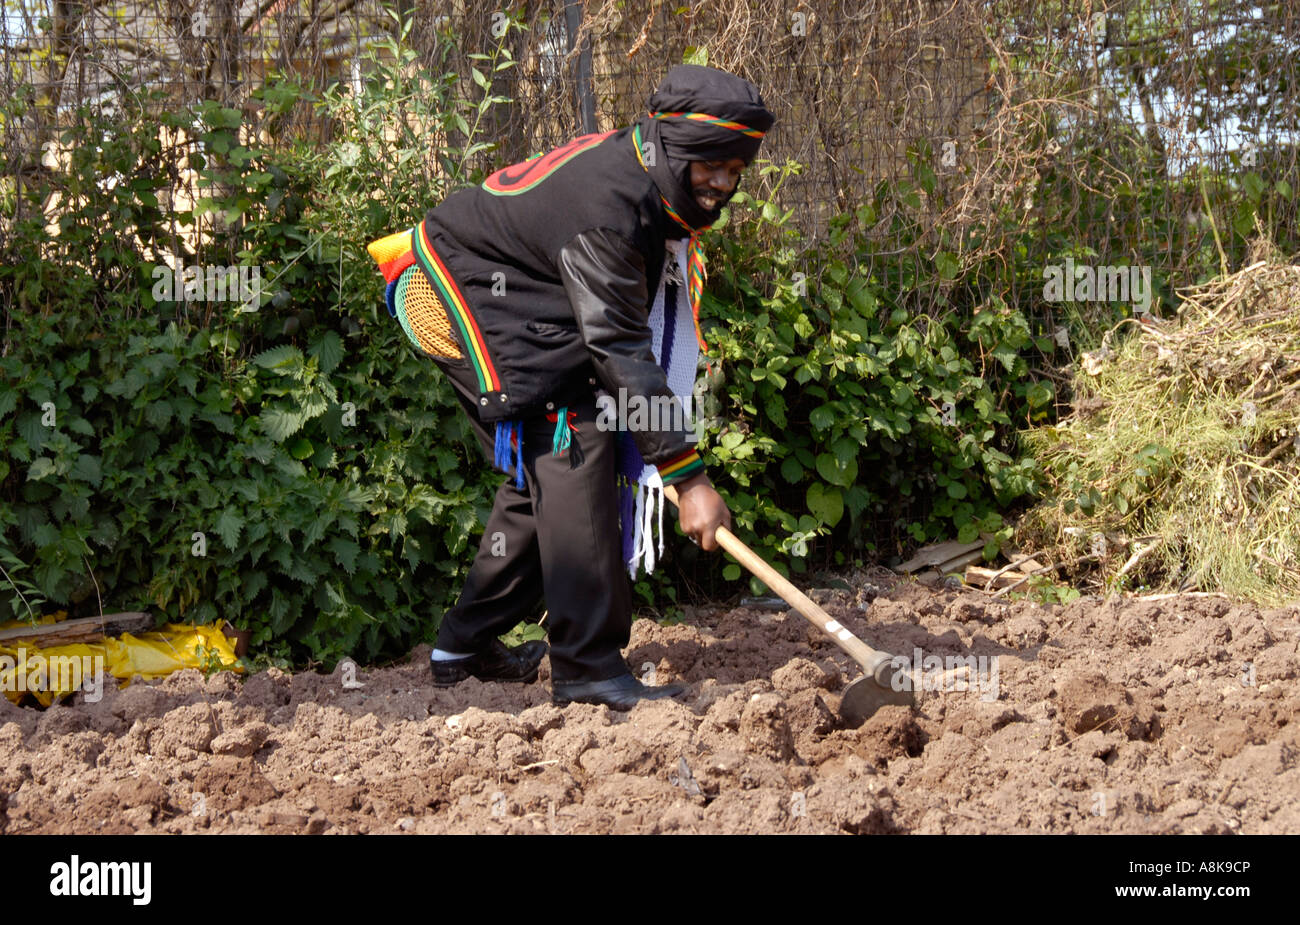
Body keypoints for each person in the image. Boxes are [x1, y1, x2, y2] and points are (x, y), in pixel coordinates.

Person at [366, 65, 775, 709]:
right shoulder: (609, 212)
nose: (722, 184)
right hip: (455, 292)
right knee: (574, 435)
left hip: (511, 288)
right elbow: (617, 344)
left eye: (735, 170)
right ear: (673, 145)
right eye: (710, 166)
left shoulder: (643, 172)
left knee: (544, 479)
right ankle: (586, 666)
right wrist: (687, 476)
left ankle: (463, 648)